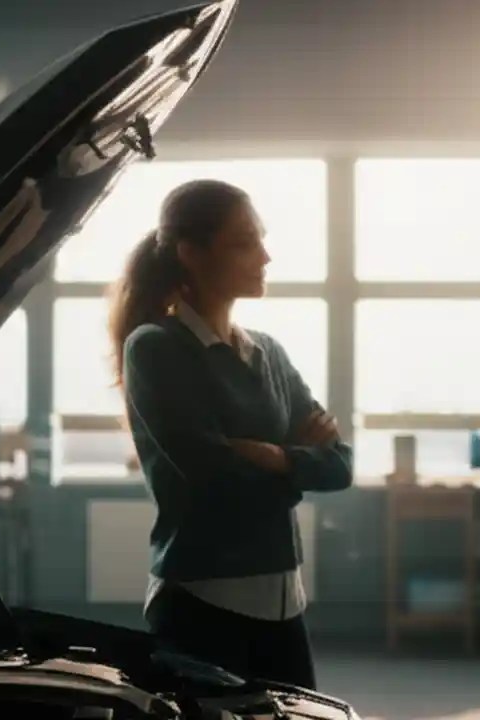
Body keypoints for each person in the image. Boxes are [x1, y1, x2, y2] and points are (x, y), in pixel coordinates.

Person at [108, 178, 353, 690]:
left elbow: (341, 465)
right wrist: (298, 461)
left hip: (286, 599)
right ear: (191, 253)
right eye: (244, 242)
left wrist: (274, 458)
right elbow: (213, 481)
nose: (265, 256)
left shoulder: (268, 351)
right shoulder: (155, 347)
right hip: (202, 602)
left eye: (260, 239)